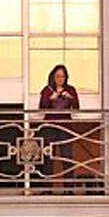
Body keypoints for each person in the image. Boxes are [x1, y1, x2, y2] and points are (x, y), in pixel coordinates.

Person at [38, 62, 81, 192]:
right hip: (49, 127)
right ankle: (47, 188)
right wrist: (51, 98)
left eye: (62, 76)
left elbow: (76, 108)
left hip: (65, 127)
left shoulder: (71, 89)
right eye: (57, 76)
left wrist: (70, 97)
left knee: (67, 157)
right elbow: (42, 108)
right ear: (53, 77)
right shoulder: (47, 90)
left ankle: (69, 188)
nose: (60, 79)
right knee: (48, 157)